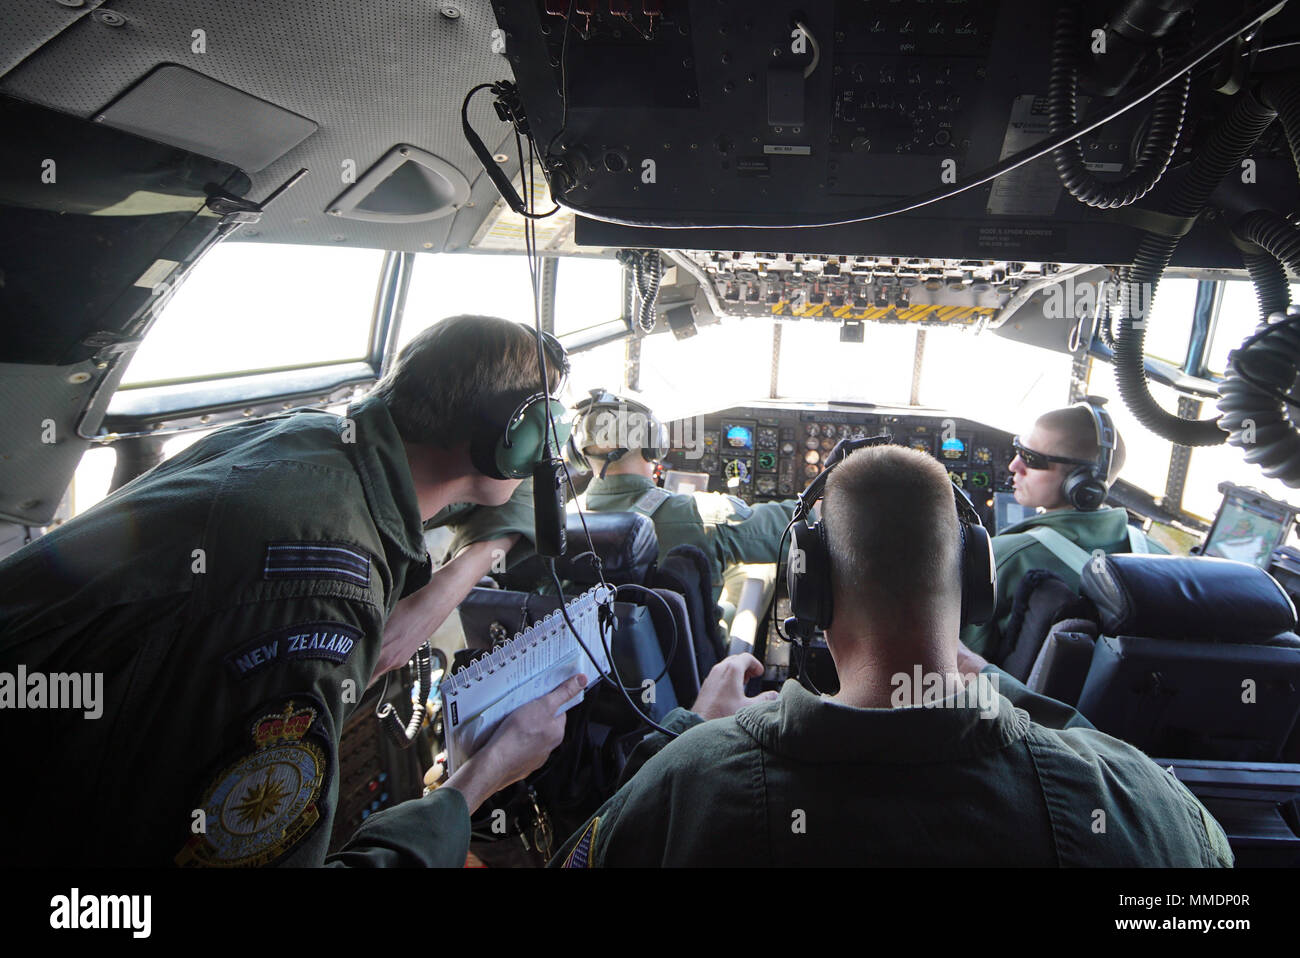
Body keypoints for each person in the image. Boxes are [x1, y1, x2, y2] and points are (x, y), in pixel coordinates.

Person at [0, 314, 584, 867]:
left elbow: (530, 494)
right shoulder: (317, 589)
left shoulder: (320, 442)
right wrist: (479, 779)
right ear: (509, 436)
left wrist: (471, 561)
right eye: (544, 423)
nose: (548, 447)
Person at [548, 444, 1233, 867]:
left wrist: (690, 730)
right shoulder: (1138, 802)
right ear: (973, 584)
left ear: (809, 592)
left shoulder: (685, 787)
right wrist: (1003, 688)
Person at [959, 401, 1166, 662]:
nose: (1014, 466)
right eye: (1018, 450)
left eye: (1031, 459)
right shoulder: (1163, 560)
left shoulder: (1005, 558)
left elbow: (955, 658)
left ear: (1080, 483)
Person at [568, 390, 798, 606]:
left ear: (578, 453)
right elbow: (788, 529)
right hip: (689, 644)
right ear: (653, 446)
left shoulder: (565, 521)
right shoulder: (702, 516)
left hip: (602, 642)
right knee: (759, 570)